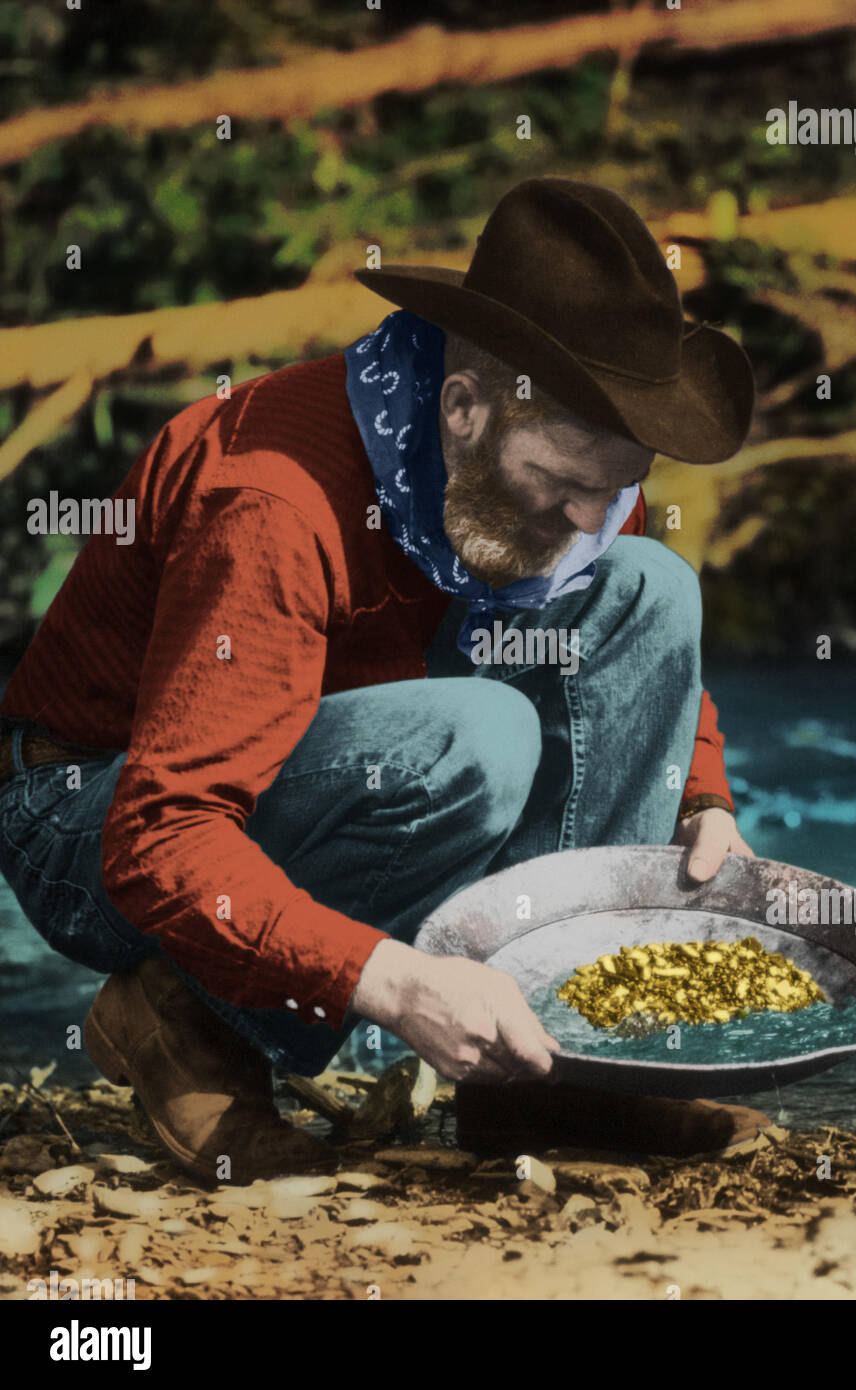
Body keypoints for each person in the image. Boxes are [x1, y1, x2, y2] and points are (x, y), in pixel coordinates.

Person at [0, 177, 767, 1182]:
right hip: (91, 814)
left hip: (310, 742)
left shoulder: (563, 466)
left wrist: (700, 794)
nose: (593, 516)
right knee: (475, 740)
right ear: (461, 406)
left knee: (652, 588)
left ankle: (546, 1070)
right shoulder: (271, 504)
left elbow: (620, 624)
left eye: (616, 484)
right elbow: (162, 835)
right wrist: (394, 983)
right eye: (567, 485)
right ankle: (187, 1018)